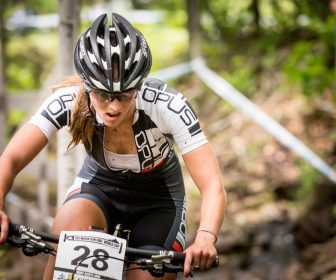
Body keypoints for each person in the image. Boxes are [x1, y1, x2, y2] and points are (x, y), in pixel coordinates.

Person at [0, 13, 226, 279]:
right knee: (68, 236)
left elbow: (212, 185)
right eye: (104, 95)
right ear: (87, 86)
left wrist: (205, 237)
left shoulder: (167, 105)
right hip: (99, 187)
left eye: (124, 95)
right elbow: (11, 158)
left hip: (159, 202)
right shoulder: (70, 101)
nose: (114, 106)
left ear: (139, 86)